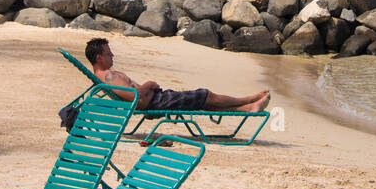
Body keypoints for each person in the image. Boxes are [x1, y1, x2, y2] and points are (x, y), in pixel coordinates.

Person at [83, 37, 269, 114]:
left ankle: (247, 108)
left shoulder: (106, 76)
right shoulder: (107, 77)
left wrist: (148, 89)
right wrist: (149, 84)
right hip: (156, 102)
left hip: (157, 100)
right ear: (98, 58)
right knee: (205, 95)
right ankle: (250, 99)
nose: (112, 55)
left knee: (203, 101)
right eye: (108, 54)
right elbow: (135, 97)